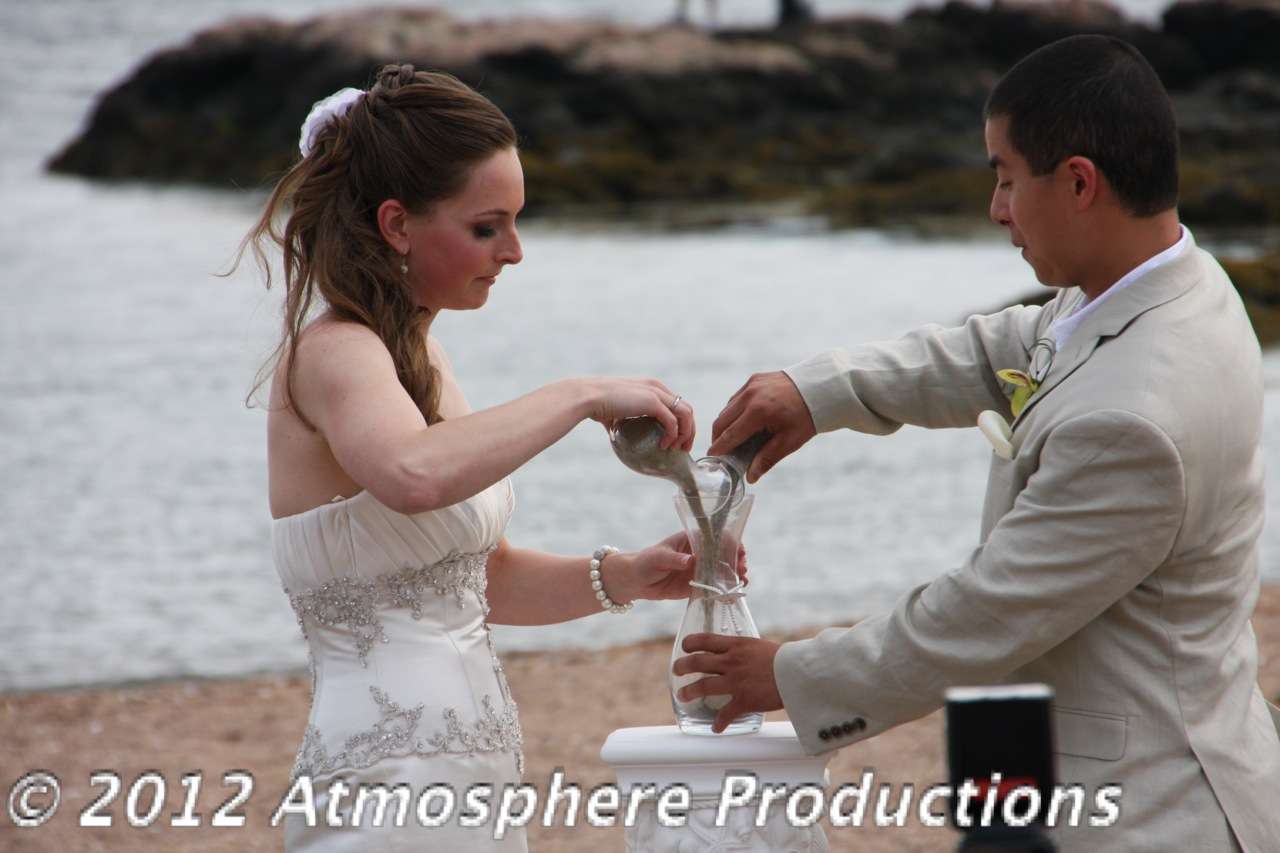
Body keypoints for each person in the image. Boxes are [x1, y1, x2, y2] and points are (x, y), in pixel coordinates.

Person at [675, 35, 1280, 850]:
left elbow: (983, 611)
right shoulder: (1173, 282)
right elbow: (1008, 347)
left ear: (1077, 182)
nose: (995, 207)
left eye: (1003, 176)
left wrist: (790, 675)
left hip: (1145, 807)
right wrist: (821, 392)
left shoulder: (1135, 420)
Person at [238, 64, 731, 851]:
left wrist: (629, 574)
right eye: (487, 226)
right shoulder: (332, 353)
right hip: (383, 786)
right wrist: (578, 395)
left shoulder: (421, 360)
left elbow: (480, 579)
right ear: (397, 225)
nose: (515, 251)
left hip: (474, 782)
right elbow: (412, 475)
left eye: (516, 222)